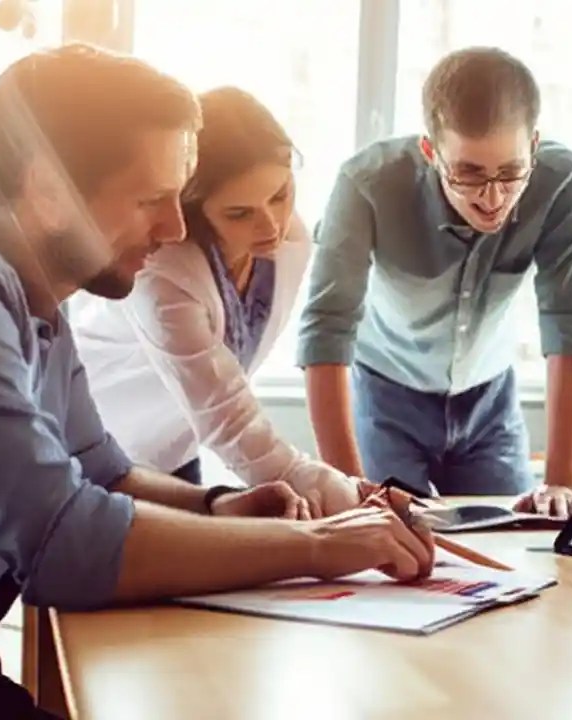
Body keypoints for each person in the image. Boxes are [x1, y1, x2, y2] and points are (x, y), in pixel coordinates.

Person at [0, 44, 431, 720]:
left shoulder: (28, 297)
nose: (177, 227)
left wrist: (212, 506)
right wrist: (319, 547)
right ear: (46, 190)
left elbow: (103, 472)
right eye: (151, 199)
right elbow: (65, 541)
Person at [298, 47, 572, 517]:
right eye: (469, 173)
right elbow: (325, 329)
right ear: (430, 152)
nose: (493, 197)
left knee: (519, 537)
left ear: (534, 146)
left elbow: (567, 321)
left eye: (512, 171)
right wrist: (350, 490)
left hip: (489, 399)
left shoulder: (562, 182)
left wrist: (561, 482)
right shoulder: (366, 184)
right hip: (386, 393)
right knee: (385, 543)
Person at [71, 86, 359, 516]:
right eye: (239, 213)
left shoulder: (284, 240)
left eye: (280, 195)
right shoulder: (162, 275)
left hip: (177, 445)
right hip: (104, 458)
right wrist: (343, 495)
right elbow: (226, 415)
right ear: (193, 207)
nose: (272, 224)